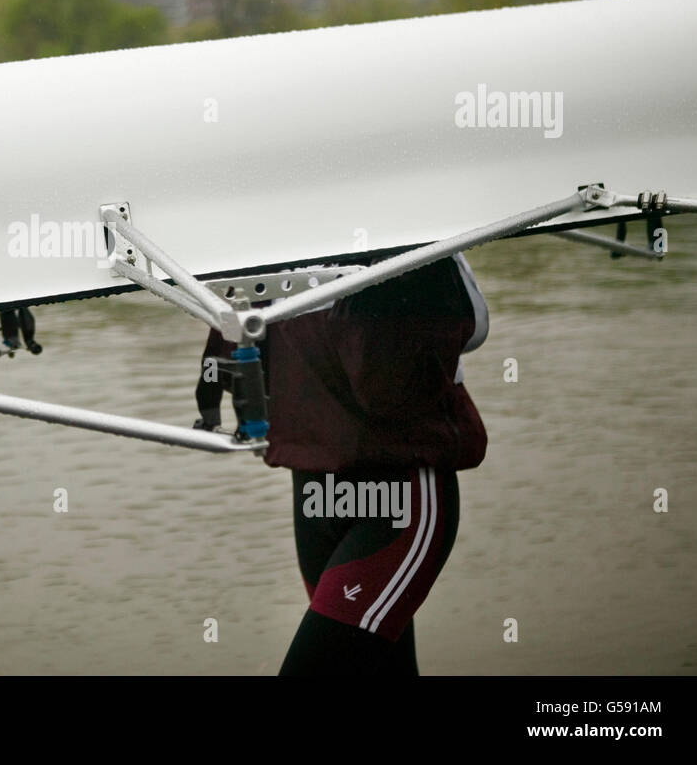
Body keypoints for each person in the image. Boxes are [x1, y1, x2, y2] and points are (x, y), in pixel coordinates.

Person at [196, 254, 488, 675]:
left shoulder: (408, 232)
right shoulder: (264, 239)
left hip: (399, 496)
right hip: (316, 492)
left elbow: (468, 330)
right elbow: (475, 325)